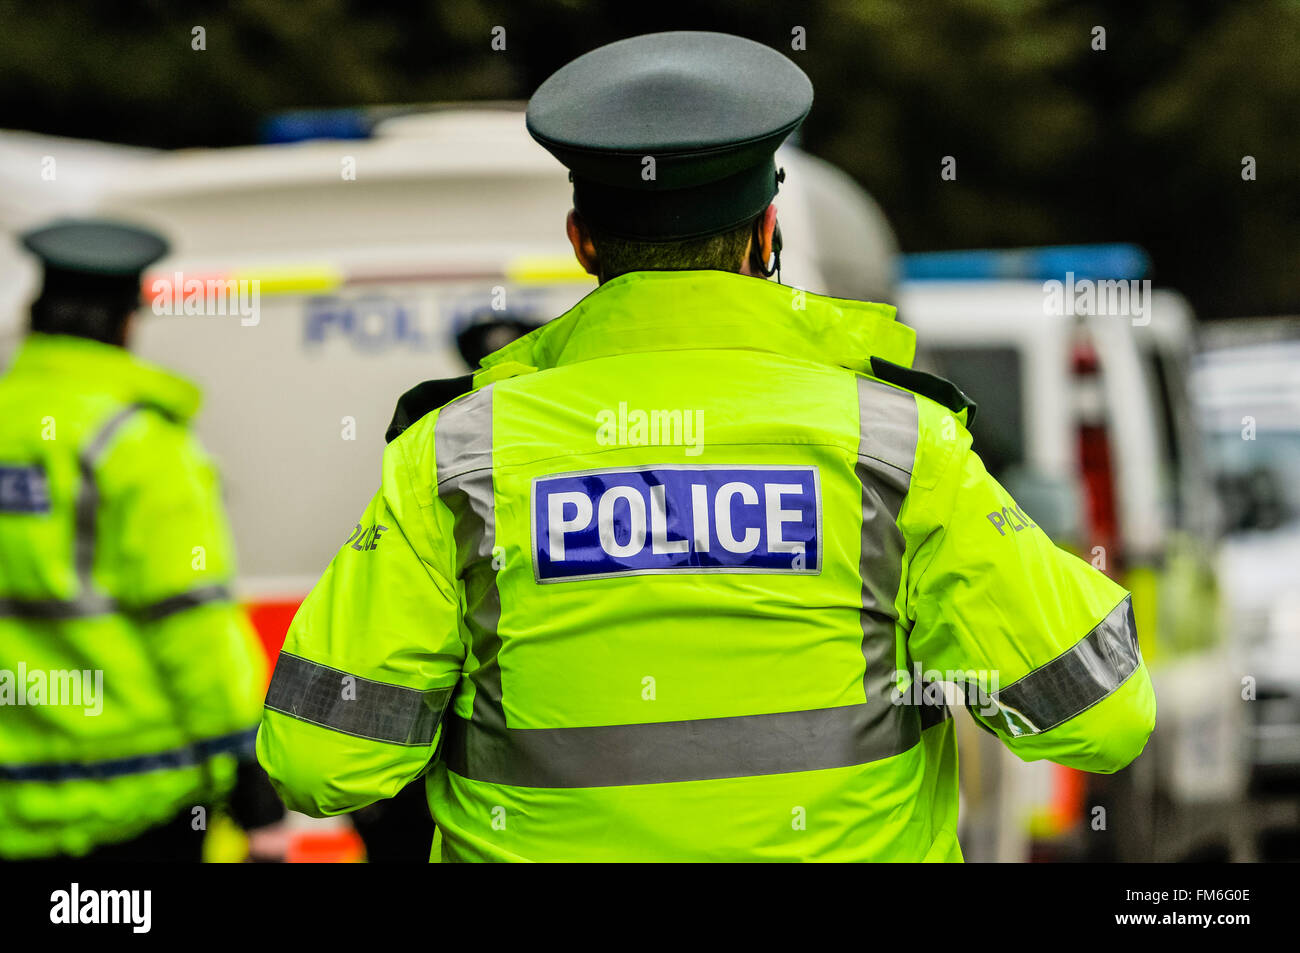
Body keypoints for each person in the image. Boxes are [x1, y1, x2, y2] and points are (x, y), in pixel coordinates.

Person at [258, 31, 1156, 861]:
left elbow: (320, 760)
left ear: (581, 243)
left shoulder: (456, 457)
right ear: (767, 237)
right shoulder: (895, 444)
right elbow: (1104, 719)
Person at [0, 219, 284, 862]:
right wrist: (249, 776)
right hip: (133, 800)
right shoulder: (137, 443)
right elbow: (189, 621)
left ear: (34, 313)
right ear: (129, 319)